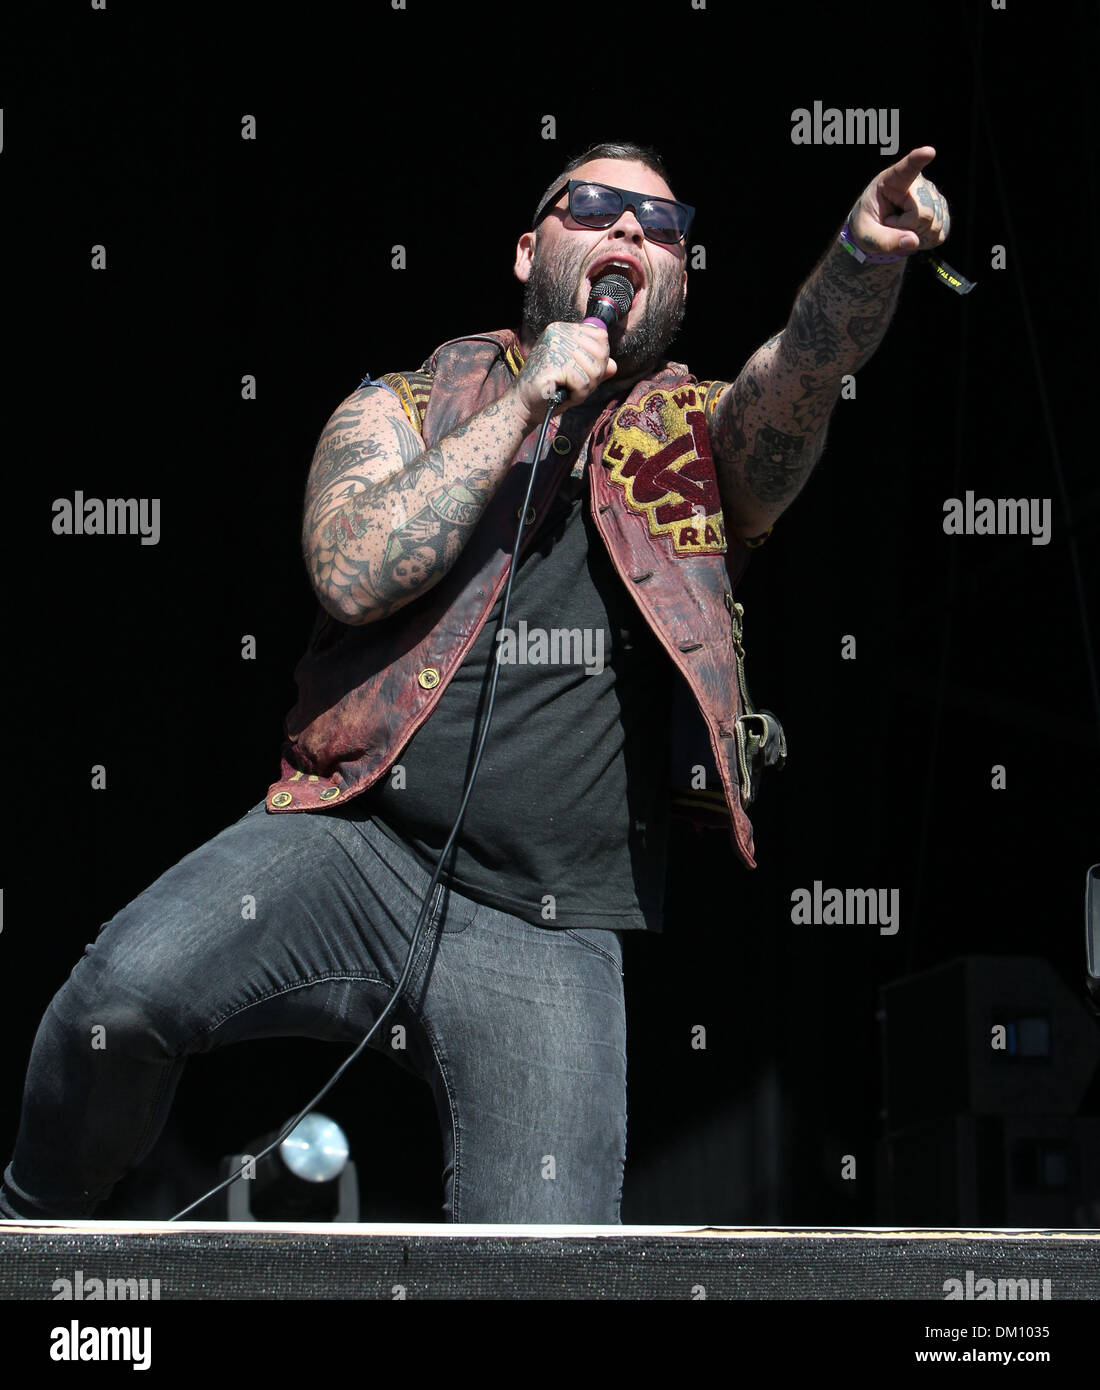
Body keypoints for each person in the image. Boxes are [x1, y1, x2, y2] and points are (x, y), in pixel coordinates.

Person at [0, 141, 949, 1225]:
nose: (630, 232)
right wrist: (526, 401)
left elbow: (806, 371)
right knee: (113, 1006)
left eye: (663, 223)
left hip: (545, 924)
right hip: (350, 844)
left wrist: (859, 261)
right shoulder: (403, 403)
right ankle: (30, 1235)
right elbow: (353, 572)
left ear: (683, 272)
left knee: (543, 1262)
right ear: (525, 249)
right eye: (593, 206)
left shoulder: (699, 444)